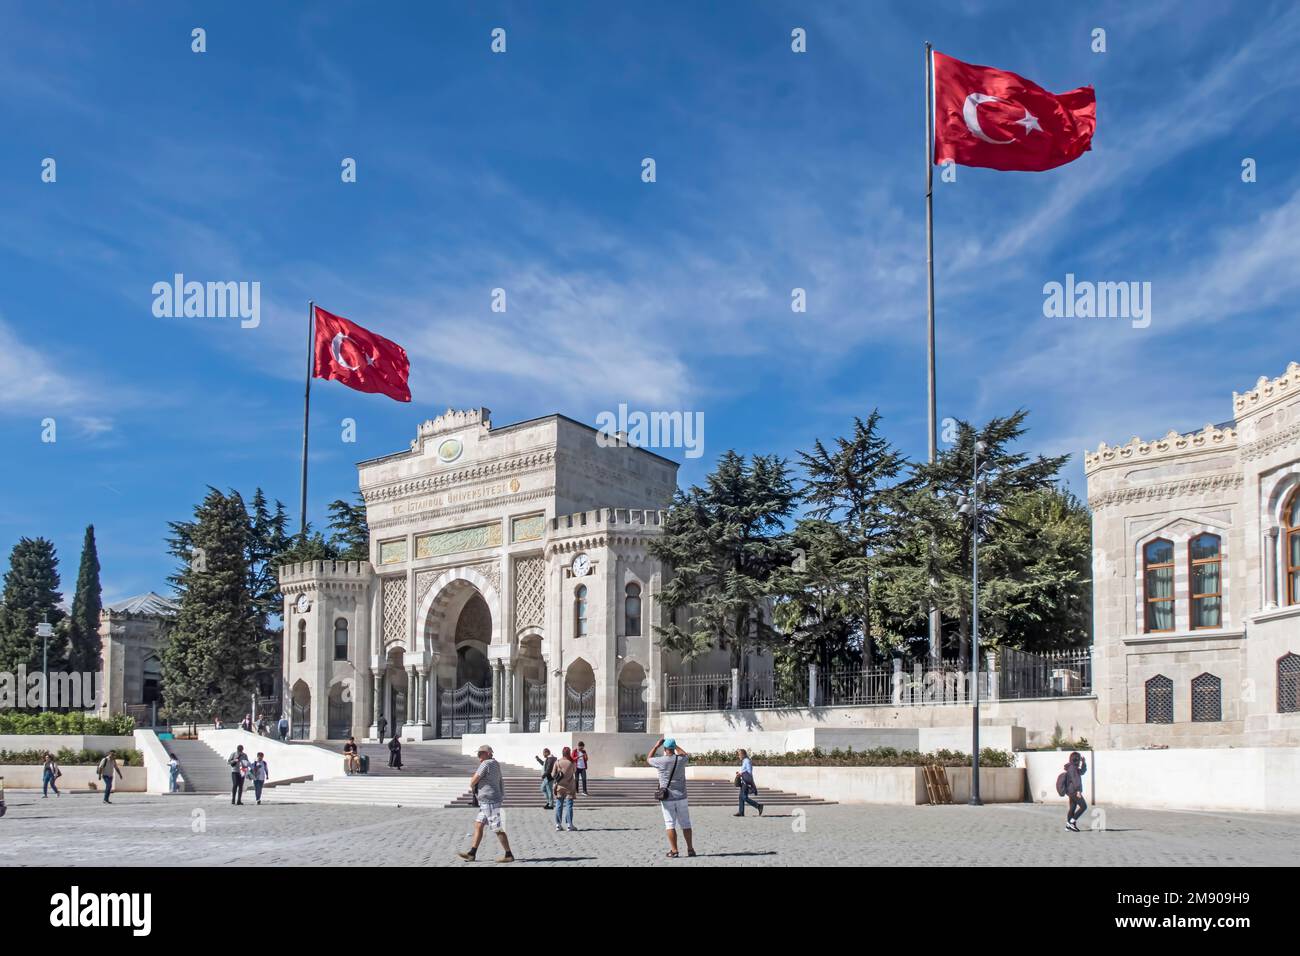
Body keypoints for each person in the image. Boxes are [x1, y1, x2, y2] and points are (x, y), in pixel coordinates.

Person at [457, 745, 515, 863]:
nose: (478, 756)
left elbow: (473, 780)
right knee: (478, 825)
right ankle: (472, 853)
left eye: (480, 753)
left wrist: (473, 785)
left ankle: (509, 854)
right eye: (478, 754)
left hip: (489, 800)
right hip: (490, 799)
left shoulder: (486, 764)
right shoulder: (495, 763)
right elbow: (500, 780)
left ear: (488, 753)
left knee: (497, 827)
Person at [647, 737, 694, 858]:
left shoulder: (661, 761)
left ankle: (674, 850)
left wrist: (656, 746)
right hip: (682, 796)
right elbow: (685, 754)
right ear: (673, 748)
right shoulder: (681, 759)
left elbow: (648, 759)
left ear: (665, 748)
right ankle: (690, 849)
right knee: (686, 823)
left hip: (667, 797)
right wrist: (675, 745)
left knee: (670, 823)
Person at [552, 746, 578, 831]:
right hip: (570, 786)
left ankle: (558, 824)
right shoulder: (571, 762)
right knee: (569, 806)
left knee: (559, 805)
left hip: (560, 786)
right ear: (569, 753)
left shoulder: (557, 762)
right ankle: (569, 824)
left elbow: (553, 775)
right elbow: (574, 771)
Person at [733, 749, 764, 817]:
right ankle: (741, 812)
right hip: (743, 781)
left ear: (743, 754)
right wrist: (740, 774)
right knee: (741, 797)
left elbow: (749, 772)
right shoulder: (745, 761)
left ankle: (758, 806)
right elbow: (745, 771)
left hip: (746, 782)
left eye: (739, 755)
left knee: (744, 797)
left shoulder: (747, 761)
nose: (738, 756)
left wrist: (741, 774)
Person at [1064, 751, 1088, 831]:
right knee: (1083, 806)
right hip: (1074, 791)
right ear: (1076, 759)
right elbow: (1075, 780)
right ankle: (1071, 822)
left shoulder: (1073, 767)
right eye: (1079, 759)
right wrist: (1078, 791)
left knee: (1072, 808)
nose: (1080, 760)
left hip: (1070, 791)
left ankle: (1068, 826)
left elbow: (1082, 772)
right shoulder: (1073, 768)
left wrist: (1084, 763)